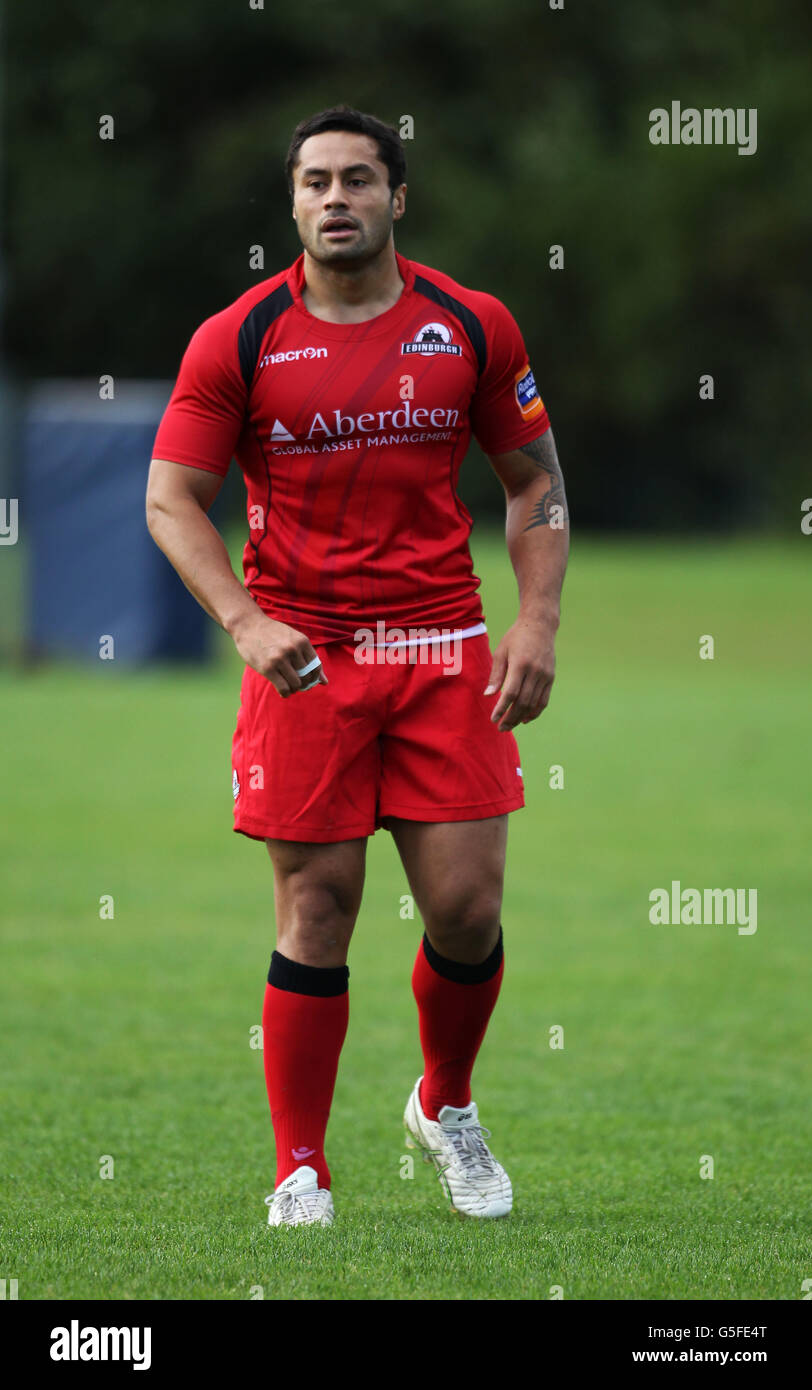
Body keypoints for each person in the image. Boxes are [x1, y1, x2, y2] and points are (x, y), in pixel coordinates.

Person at [146, 104, 569, 1228]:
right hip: (303, 658)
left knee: (466, 911)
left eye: (358, 180)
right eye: (315, 182)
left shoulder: (470, 325)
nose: (336, 198)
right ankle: (302, 1167)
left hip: (441, 646)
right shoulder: (235, 338)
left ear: (396, 197)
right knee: (317, 907)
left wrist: (536, 624)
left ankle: (446, 1104)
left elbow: (535, 482)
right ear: (291, 203)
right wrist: (243, 622)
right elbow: (170, 499)